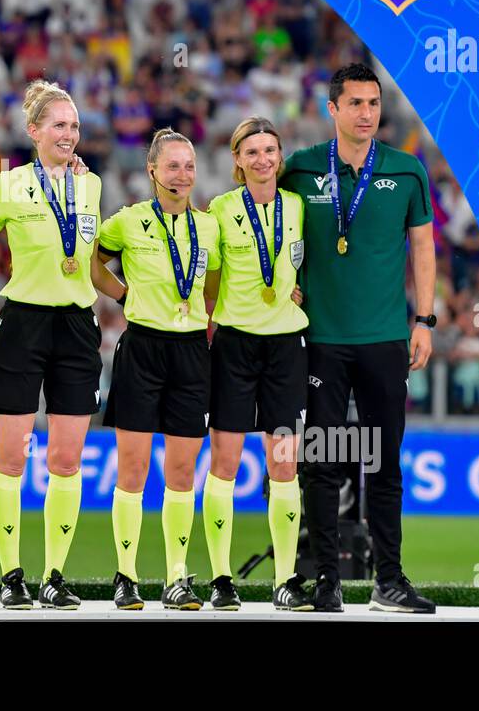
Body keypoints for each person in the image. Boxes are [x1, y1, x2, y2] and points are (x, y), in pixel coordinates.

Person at [280, 63, 437, 614]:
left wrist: (425, 320)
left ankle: (388, 581)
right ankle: (326, 580)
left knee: (384, 463)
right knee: (321, 463)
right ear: (333, 109)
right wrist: (285, 287)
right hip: (320, 340)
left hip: (387, 339)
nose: (368, 113)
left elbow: (422, 248)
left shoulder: (406, 171)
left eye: (374, 103)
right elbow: (266, 226)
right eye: (356, 104)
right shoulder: (298, 170)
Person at [0, 80, 103, 609]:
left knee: (67, 459)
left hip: (76, 326)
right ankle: (11, 576)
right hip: (23, 323)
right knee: (9, 456)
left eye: (74, 125)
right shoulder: (7, 185)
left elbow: (90, 257)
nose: (69, 134)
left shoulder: (89, 186)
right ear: (34, 131)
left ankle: (53, 576)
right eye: (59, 125)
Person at [91, 129, 220, 610]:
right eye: (172, 166)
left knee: (183, 470)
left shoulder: (209, 227)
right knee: (134, 468)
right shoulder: (126, 221)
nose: (182, 174)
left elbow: (216, 283)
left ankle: (176, 578)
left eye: (188, 166)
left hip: (191, 352)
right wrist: (124, 295)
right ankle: (126, 576)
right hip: (142, 349)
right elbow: (91, 264)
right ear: (152, 171)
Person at [204, 117, 311, 611]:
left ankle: (285, 581)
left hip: (287, 348)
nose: (263, 159)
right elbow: (210, 278)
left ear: (280, 156)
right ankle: (222, 579)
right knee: (225, 464)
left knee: (283, 466)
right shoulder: (221, 210)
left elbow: (310, 265)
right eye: (252, 152)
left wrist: (301, 288)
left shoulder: (298, 206)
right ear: (238, 162)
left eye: (270, 150)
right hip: (235, 346)